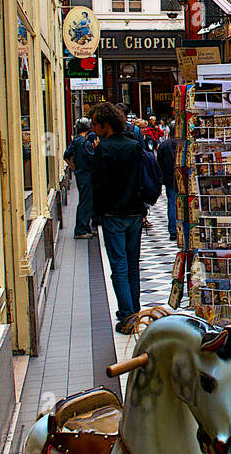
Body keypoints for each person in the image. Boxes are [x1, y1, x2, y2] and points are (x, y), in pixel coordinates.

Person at [90, 101, 145, 333]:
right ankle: (135, 309)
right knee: (132, 264)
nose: (93, 128)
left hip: (114, 213)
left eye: (95, 124)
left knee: (119, 266)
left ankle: (127, 315)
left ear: (105, 124)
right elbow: (141, 179)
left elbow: (99, 185)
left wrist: (98, 215)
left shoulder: (103, 149)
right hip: (134, 212)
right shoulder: (133, 146)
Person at [64, 117, 98, 238]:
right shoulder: (85, 143)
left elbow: (66, 155)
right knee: (86, 202)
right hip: (86, 175)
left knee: (84, 201)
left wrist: (74, 167)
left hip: (80, 174)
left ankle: (85, 227)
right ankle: (81, 229)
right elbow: (92, 159)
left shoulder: (76, 140)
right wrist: (95, 148)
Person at [156, 120, 179, 240]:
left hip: (169, 178)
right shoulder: (183, 143)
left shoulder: (164, 145)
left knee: (171, 203)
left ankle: (173, 229)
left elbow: (159, 163)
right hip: (181, 178)